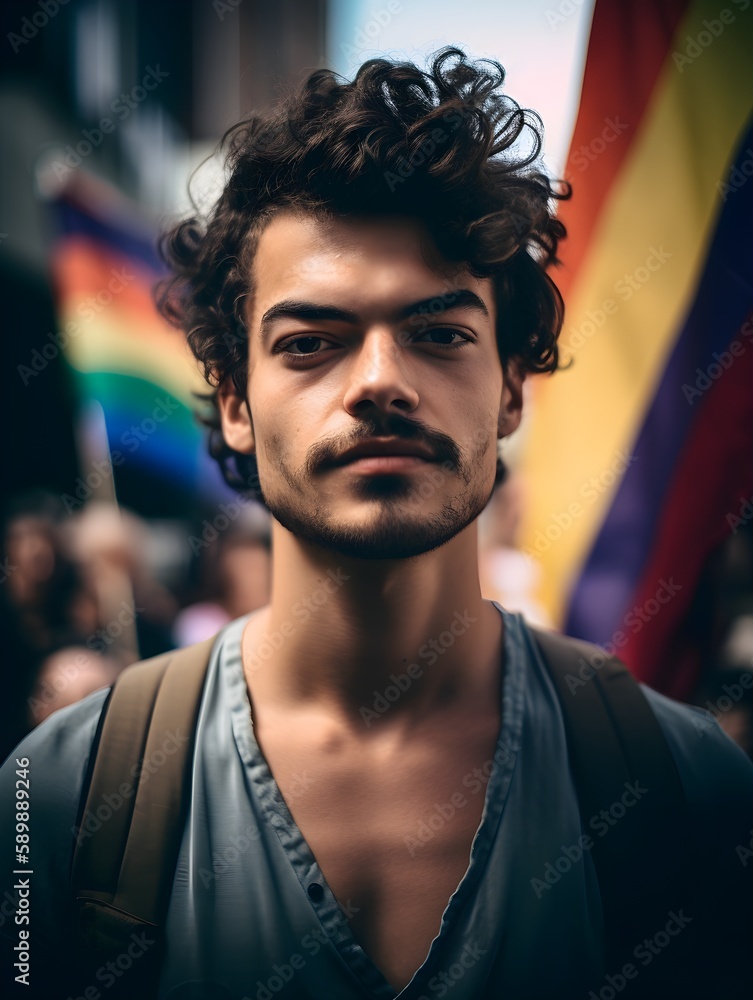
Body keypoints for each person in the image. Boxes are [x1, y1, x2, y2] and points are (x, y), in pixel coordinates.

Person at [1, 47, 752, 1000]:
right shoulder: (59, 799)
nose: (379, 382)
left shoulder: (690, 790)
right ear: (234, 399)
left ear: (512, 386)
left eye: (439, 334)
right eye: (310, 343)